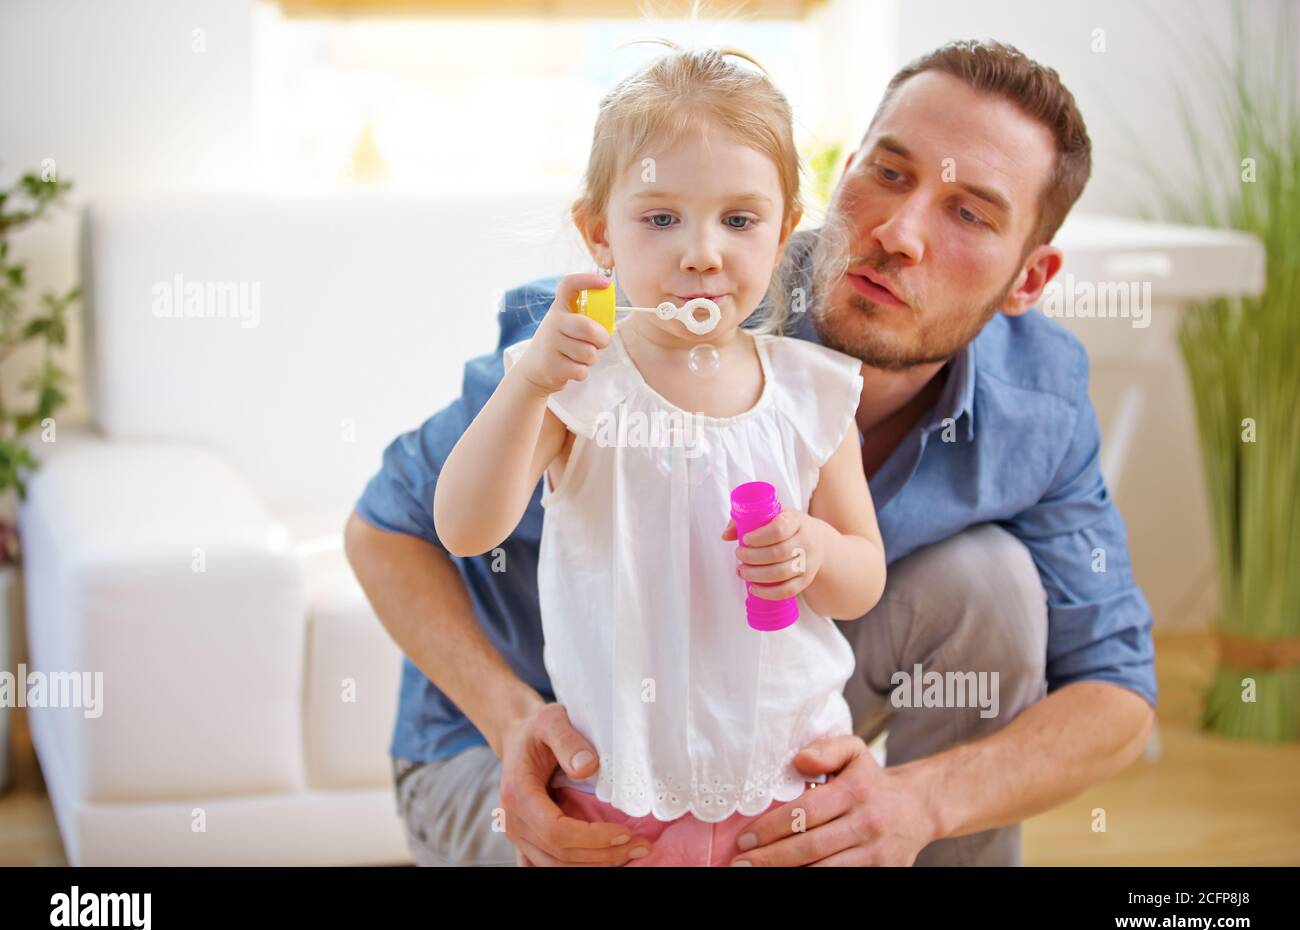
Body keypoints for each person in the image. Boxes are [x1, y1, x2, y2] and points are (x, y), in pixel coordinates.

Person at [345, 39, 1157, 867]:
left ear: (1030, 277)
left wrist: (915, 803)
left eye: (970, 213)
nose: (899, 232)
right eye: (888, 171)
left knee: (991, 584)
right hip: (539, 752)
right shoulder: (589, 343)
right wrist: (510, 716)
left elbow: (1118, 690)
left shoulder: (978, 398)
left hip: (751, 754)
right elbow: (387, 530)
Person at [431, 43, 888, 867]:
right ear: (599, 235)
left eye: (740, 220)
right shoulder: (581, 385)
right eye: (661, 217)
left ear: (786, 231)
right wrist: (528, 382)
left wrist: (814, 551)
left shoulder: (810, 391)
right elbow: (464, 527)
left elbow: (862, 580)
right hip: (623, 782)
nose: (702, 253)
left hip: (789, 777)